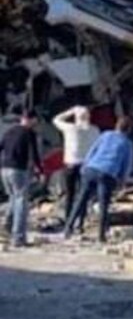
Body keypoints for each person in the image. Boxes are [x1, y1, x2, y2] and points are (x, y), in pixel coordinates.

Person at [65, 116, 133, 242]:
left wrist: (85, 166)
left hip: (91, 168)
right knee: (104, 204)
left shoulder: (105, 135)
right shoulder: (127, 144)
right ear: (128, 130)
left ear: (116, 126)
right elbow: (126, 165)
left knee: (81, 199)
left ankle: (68, 228)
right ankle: (101, 236)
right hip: (108, 173)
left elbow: (92, 151)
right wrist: (122, 181)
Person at [1, 112, 43, 247]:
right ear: (31, 120)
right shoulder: (29, 133)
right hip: (19, 169)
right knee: (21, 201)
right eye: (35, 121)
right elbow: (34, 153)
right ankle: (18, 237)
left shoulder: (9, 131)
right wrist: (40, 171)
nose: (35, 123)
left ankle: (6, 226)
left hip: (4, 169)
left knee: (13, 197)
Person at [53, 106, 100, 219]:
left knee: (70, 194)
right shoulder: (94, 130)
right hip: (87, 165)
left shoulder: (70, 128)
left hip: (71, 165)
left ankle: (69, 219)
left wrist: (70, 111)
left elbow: (56, 120)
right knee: (82, 194)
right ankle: (80, 221)